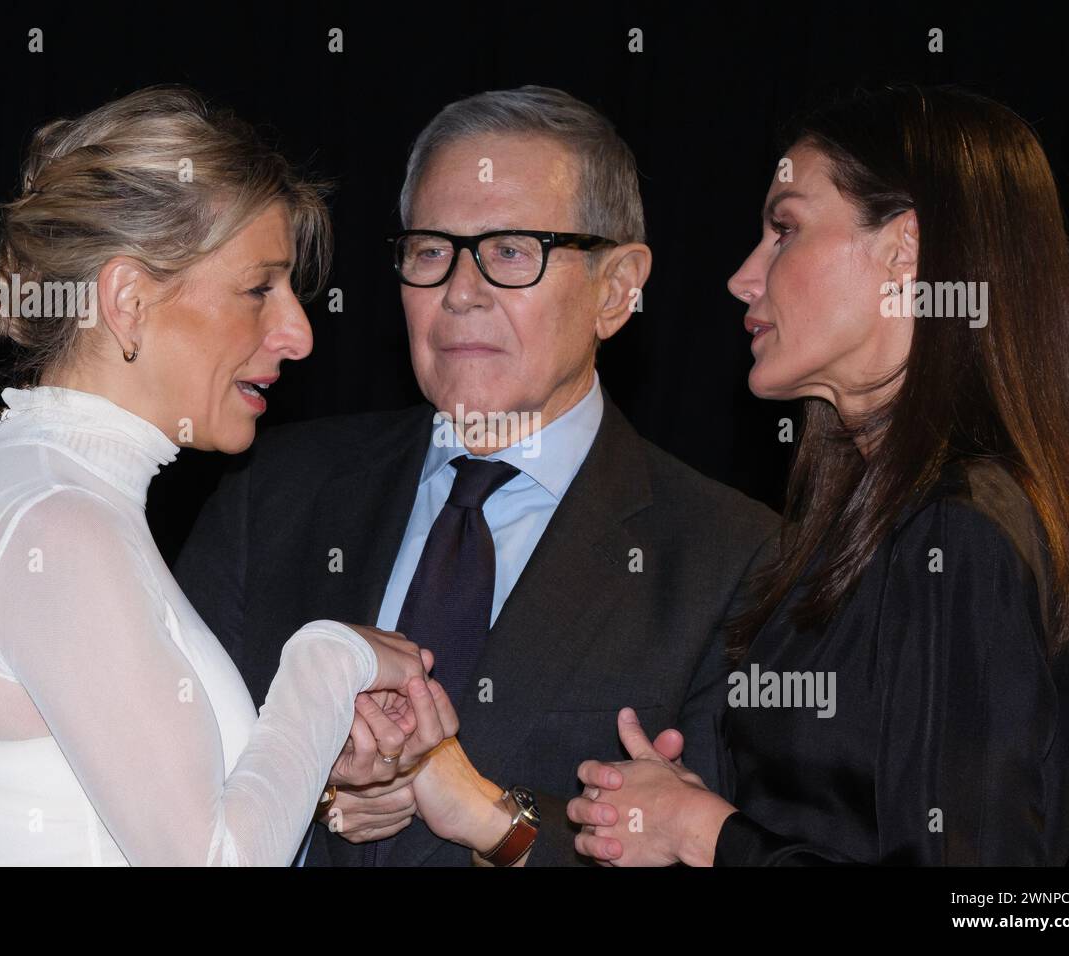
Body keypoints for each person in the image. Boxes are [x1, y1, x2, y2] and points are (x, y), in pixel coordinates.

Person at [174, 85, 779, 866]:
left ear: (618, 288)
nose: (460, 293)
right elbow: (155, 778)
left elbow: (740, 854)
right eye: (431, 251)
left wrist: (501, 819)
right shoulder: (275, 491)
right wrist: (315, 789)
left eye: (511, 251)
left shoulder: (736, 561)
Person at [566, 85, 1069, 866]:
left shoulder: (960, 532)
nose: (743, 277)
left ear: (904, 247)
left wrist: (707, 835)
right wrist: (689, 812)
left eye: (784, 229)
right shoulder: (856, 534)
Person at [0, 85, 452, 866]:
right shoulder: (56, 522)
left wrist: (315, 774)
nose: (297, 334)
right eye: (258, 288)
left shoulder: (44, 497)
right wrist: (325, 663)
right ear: (128, 301)